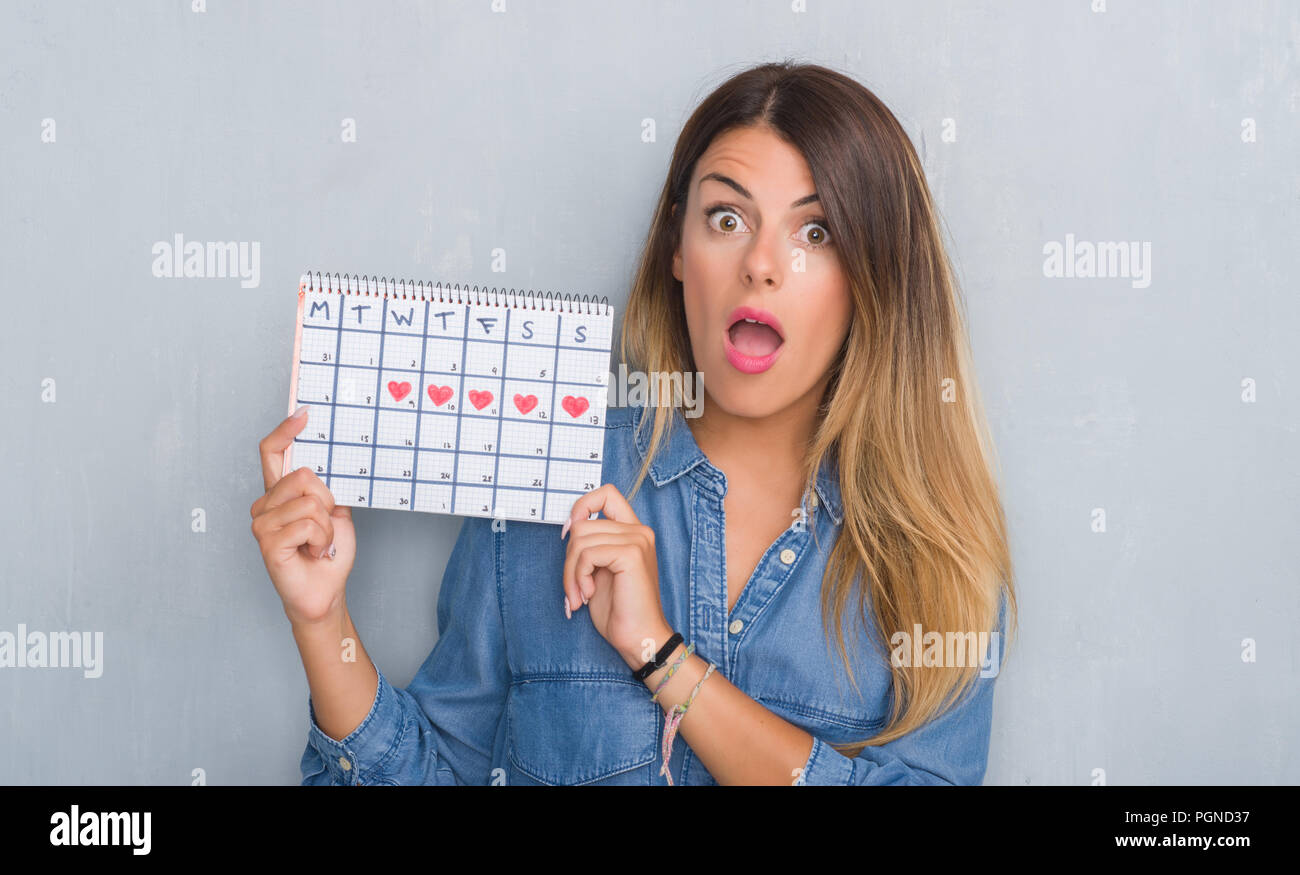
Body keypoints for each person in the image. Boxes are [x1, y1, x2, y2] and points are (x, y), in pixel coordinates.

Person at [251, 60, 1017, 785]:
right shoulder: (543, 479)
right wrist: (321, 622)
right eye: (727, 218)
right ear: (678, 248)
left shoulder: (937, 564)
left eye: (815, 233)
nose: (761, 264)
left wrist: (660, 655)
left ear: (872, 278)